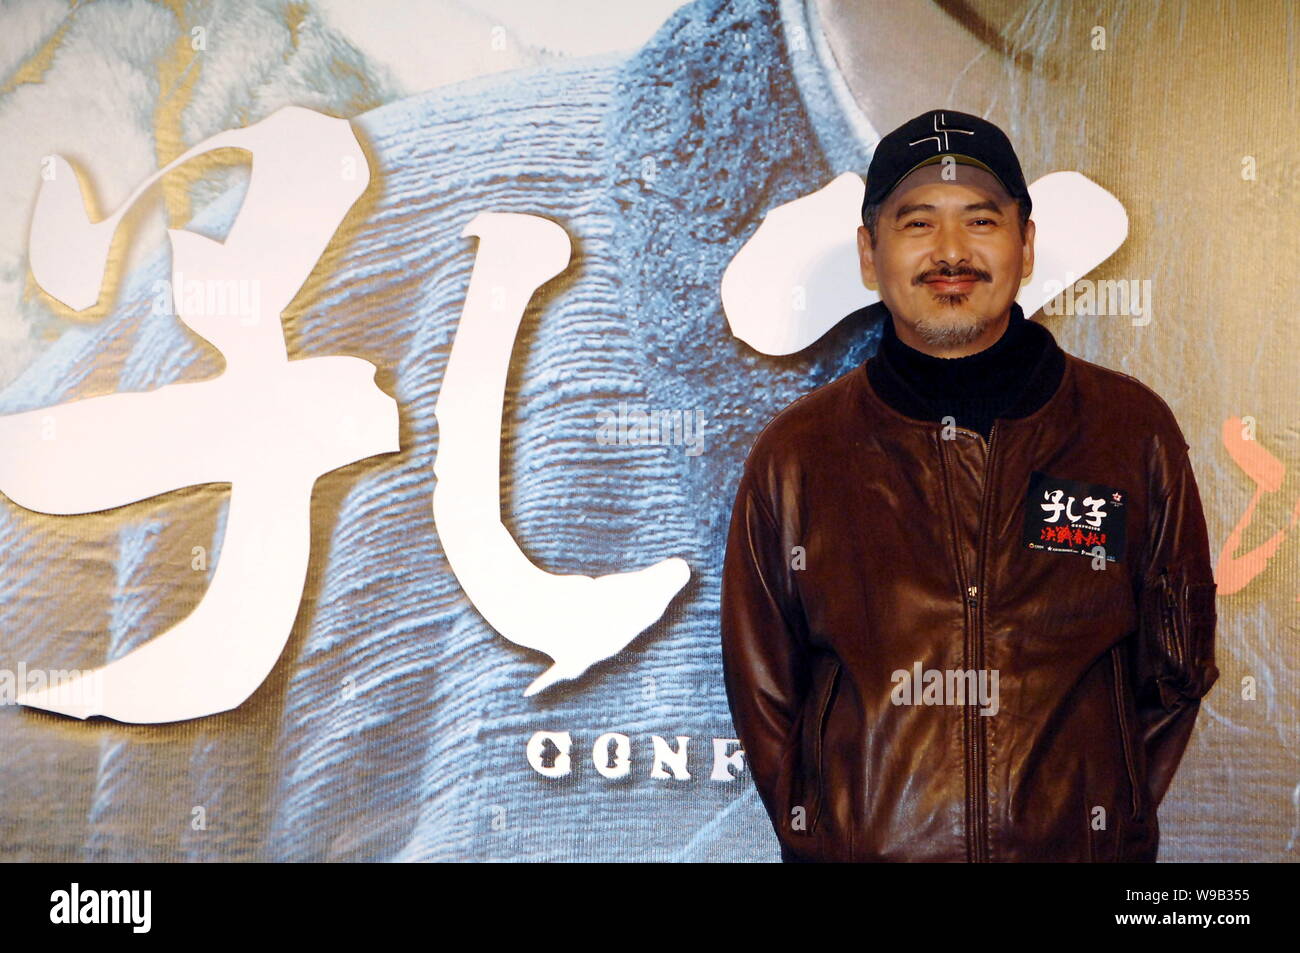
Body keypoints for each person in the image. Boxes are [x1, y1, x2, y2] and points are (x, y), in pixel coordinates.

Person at [720, 108, 1220, 862]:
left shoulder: (1128, 432)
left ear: (1025, 244)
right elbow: (765, 691)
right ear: (869, 251)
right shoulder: (799, 455)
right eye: (917, 223)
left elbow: (1174, 670)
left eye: (980, 220)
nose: (950, 253)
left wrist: (1094, 823)